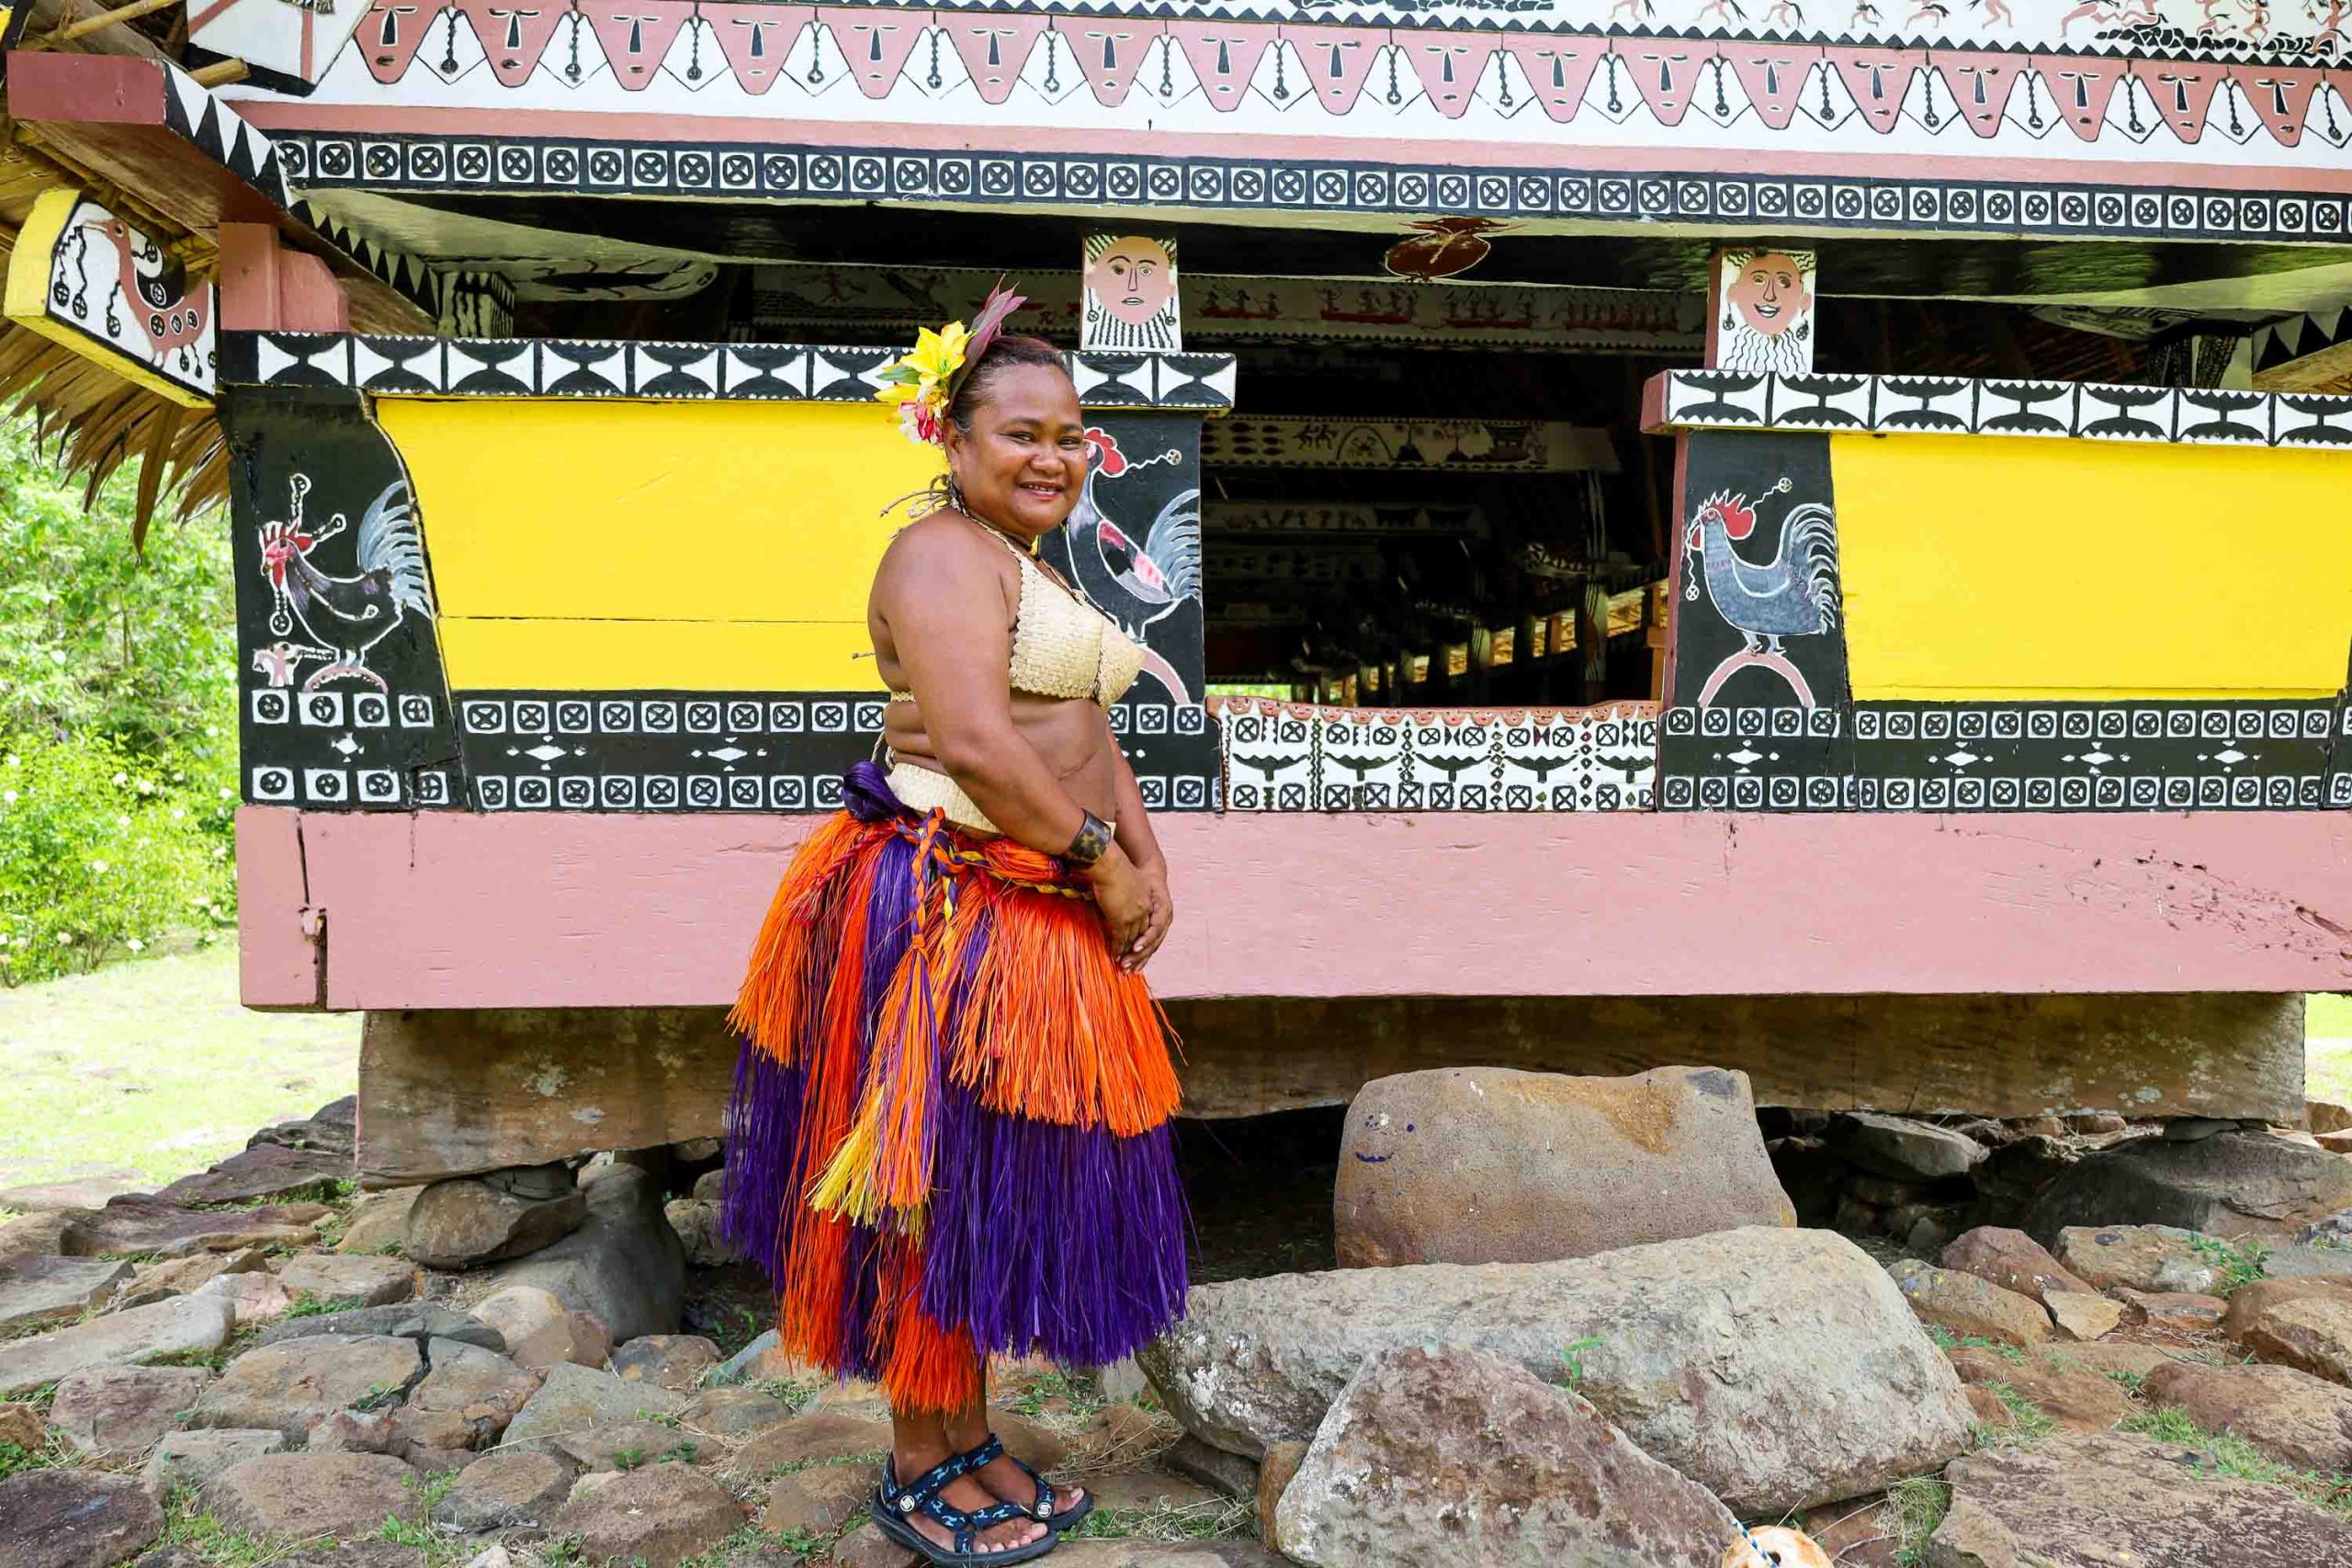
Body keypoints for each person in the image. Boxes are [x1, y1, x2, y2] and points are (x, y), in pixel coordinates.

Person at [718, 288, 1187, 1565]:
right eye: (1022, 433)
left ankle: (967, 1435)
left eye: (1070, 436)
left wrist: (1144, 853)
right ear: (954, 439)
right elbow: (977, 743)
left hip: (1029, 897)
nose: (1052, 457)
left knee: (983, 1186)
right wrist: (1099, 861)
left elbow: (1080, 729)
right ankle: (919, 1459)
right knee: (923, 1188)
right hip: (942, 903)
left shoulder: (1023, 563)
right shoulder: (937, 555)